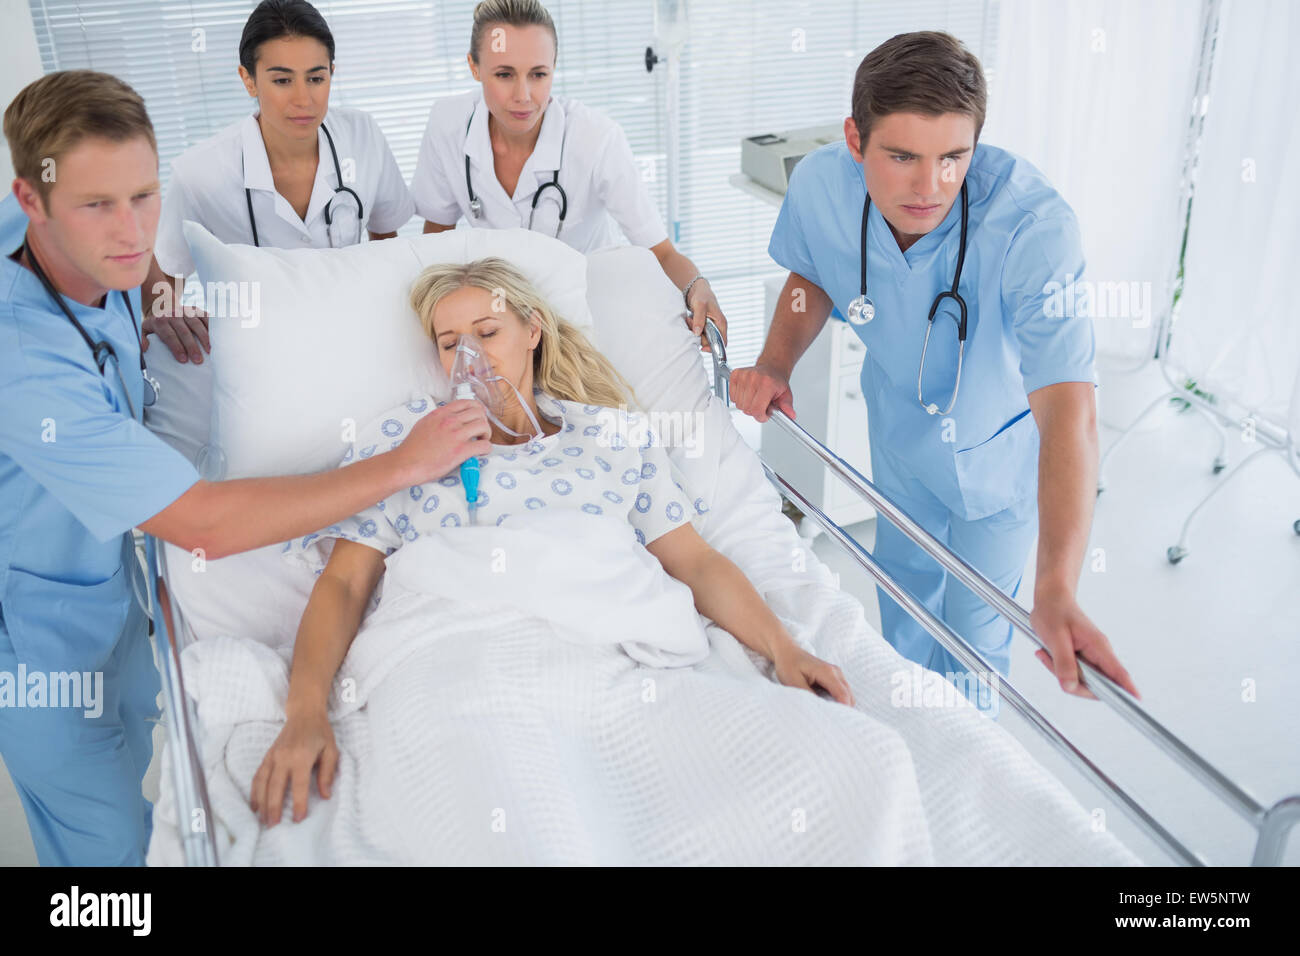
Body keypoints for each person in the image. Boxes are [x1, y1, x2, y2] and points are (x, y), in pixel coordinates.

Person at [0, 70, 491, 865]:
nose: (130, 230)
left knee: (142, 775)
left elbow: (133, 256)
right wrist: (403, 464)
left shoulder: (93, 244)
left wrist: (154, 287)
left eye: (144, 195)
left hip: (116, 604)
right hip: (37, 646)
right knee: (113, 864)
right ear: (33, 202)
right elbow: (202, 523)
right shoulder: (21, 357)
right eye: (98, 207)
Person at [249, 256, 853, 825]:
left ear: (532, 329)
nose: (470, 357)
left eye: (487, 332)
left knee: (815, 772)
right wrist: (305, 713)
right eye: (450, 342)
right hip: (461, 665)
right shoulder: (402, 440)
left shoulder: (611, 434)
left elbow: (693, 562)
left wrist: (784, 648)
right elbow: (346, 581)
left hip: (610, 662)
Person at [729, 32, 1140, 713]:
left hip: (997, 458)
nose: (931, 187)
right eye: (902, 158)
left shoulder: (1033, 228)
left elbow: (1071, 407)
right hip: (900, 440)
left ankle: (963, 764)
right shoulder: (822, 185)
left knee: (975, 645)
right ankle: (911, 740)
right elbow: (810, 274)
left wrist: (1058, 585)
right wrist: (775, 362)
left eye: (954, 157)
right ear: (855, 142)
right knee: (903, 611)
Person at [411, 0, 728, 352]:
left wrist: (698, 288)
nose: (523, 96)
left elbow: (662, 253)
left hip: (588, 312)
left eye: (538, 74)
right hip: (500, 314)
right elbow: (435, 242)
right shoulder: (448, 125)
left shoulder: (596, 139)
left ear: (554, 69)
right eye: (504, 74)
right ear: (474, 67)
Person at [142, 0, 415, 364]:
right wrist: (165, 318)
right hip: (258, 355)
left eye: (316, 78)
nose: (303, 99)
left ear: (332, 72)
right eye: (282, 80)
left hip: (359, 338)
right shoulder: (200, 173)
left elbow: (386, 245)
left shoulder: (362, 136)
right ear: (248, 79)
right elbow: (167, 278)